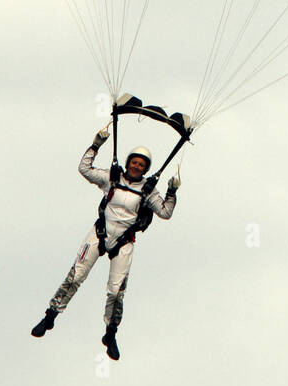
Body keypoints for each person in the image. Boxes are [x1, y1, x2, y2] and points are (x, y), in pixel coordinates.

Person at [31, 128, 180, 359]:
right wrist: (96, 144)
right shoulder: (111, 178)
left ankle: (110, 334)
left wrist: (172, 190)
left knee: (116, 291)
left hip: (124, 240)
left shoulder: (148, 192)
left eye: (141, 165)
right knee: (76, 276)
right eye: (134, 162)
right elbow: (84, 169)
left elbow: (165, 212)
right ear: (129, 162)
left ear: (145, 169)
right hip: (100, 232)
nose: (136, 167)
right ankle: (50, 317)